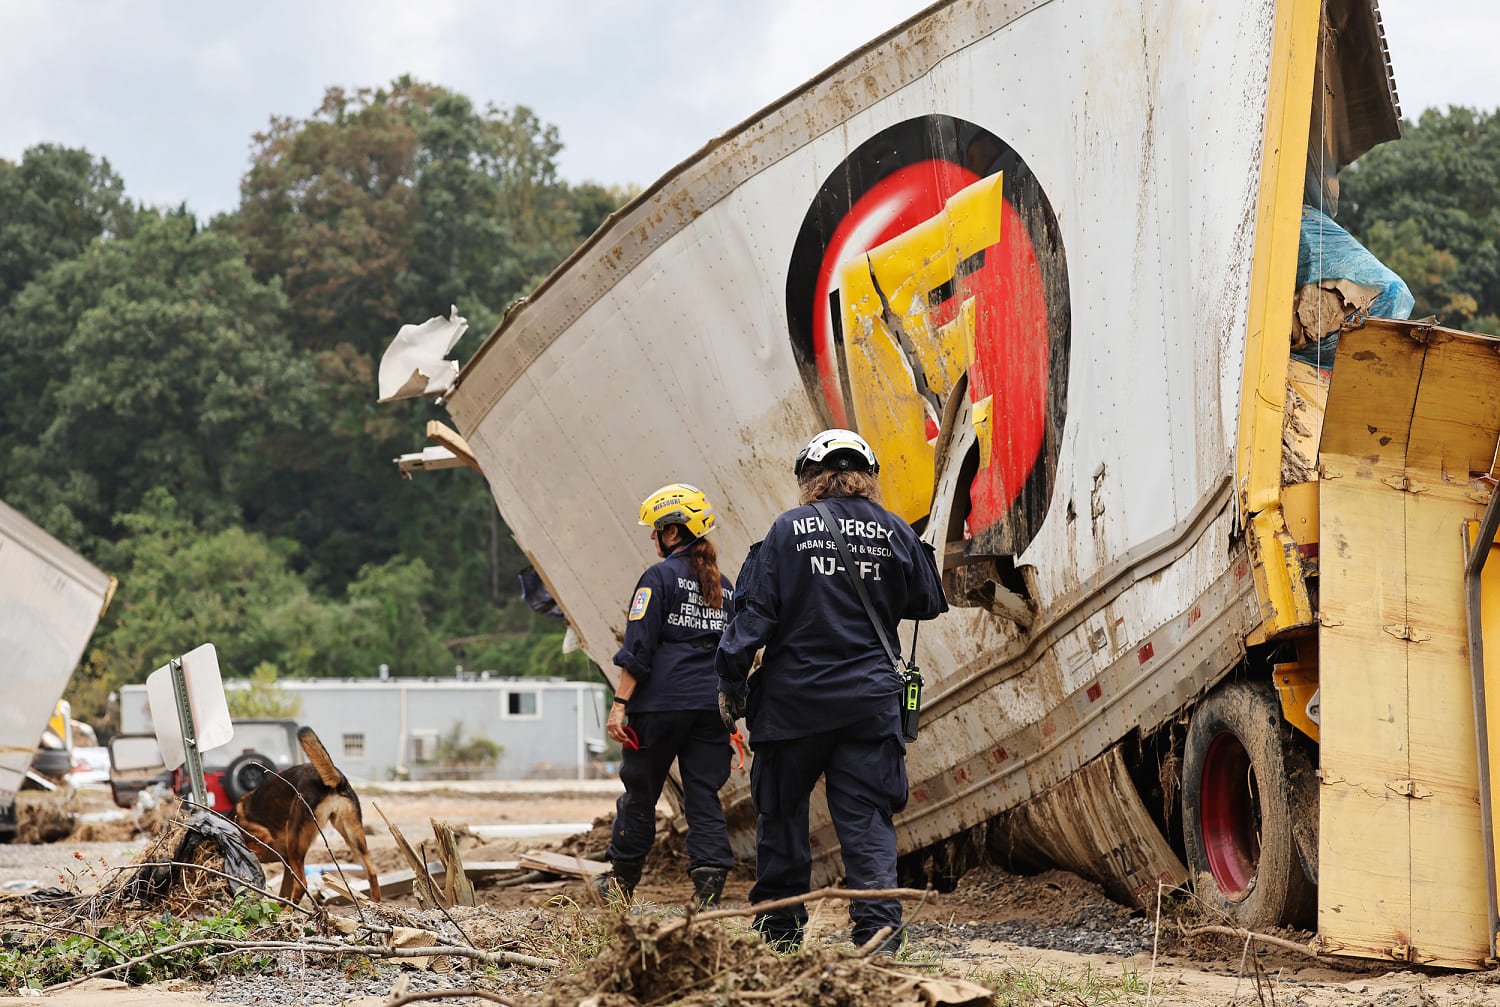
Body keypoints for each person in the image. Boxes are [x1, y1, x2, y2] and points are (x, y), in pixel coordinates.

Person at [715, 429, 947, 955]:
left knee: (781, 818)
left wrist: (730, 683)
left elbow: (752, 619)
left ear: (810, 480)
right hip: (869, 705)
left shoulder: (786, 530)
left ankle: (780, 936)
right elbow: (929, 602)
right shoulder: (894, 530)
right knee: (867, 823)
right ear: (868, 478)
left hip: (792, 706)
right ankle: (878, 939)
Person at [599, 483, 736, 910]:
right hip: (710, 706)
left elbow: (637, 649)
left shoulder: (657, 579)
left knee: (641, 793)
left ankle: (620, 884)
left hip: (660, 706)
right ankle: (708, 891)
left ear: (673, 532)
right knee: (703, 794)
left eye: (656, 530)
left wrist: (619, 706)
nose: (652, 538)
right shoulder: (727, 586)